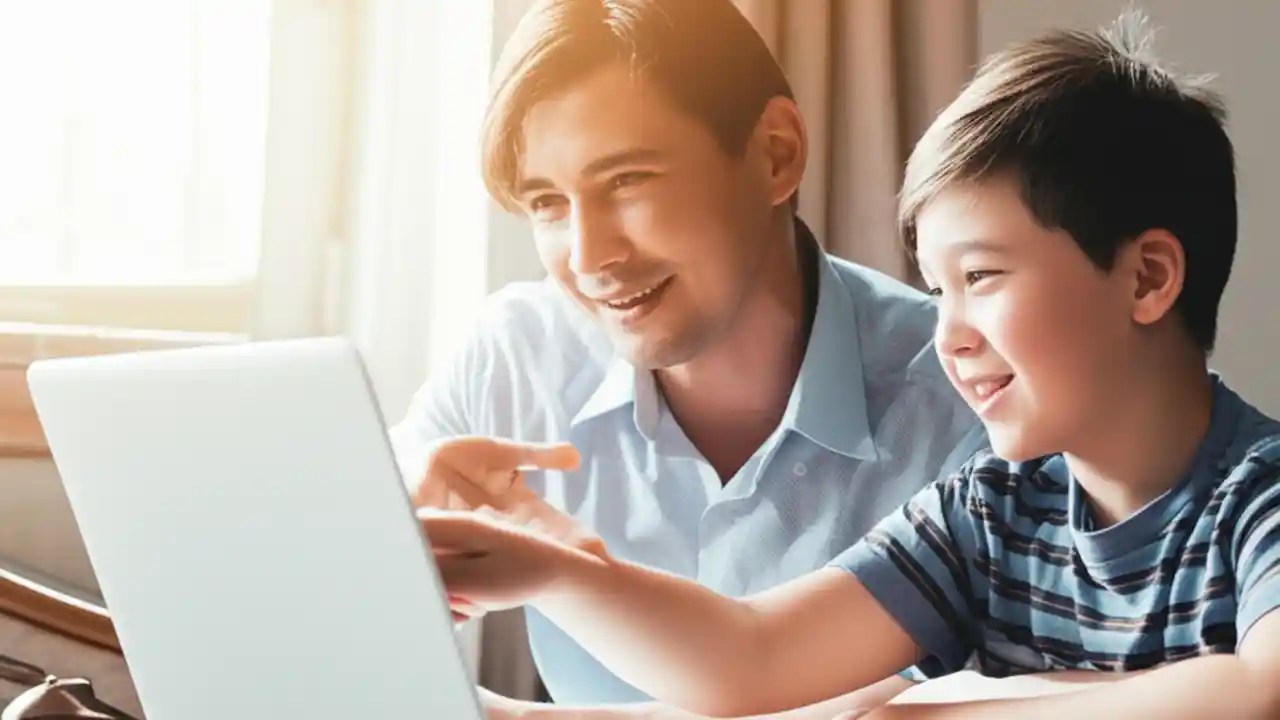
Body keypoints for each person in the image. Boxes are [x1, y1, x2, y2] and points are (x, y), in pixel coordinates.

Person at [423, 13, 1280, 720]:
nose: (947, 336)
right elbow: (752, 657)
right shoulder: (986, 513)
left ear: (1147, 277)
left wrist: (940, 712)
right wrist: (552, 571)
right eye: (936, 289)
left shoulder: (1262, 497)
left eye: (980, 278)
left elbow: (1263, 685)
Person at [389, 0, 982, 711]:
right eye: (547, 203)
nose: (589, 257)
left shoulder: (966, 392)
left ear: (775, 155)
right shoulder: (516, 358)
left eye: (627, 182)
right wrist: (381, 548)